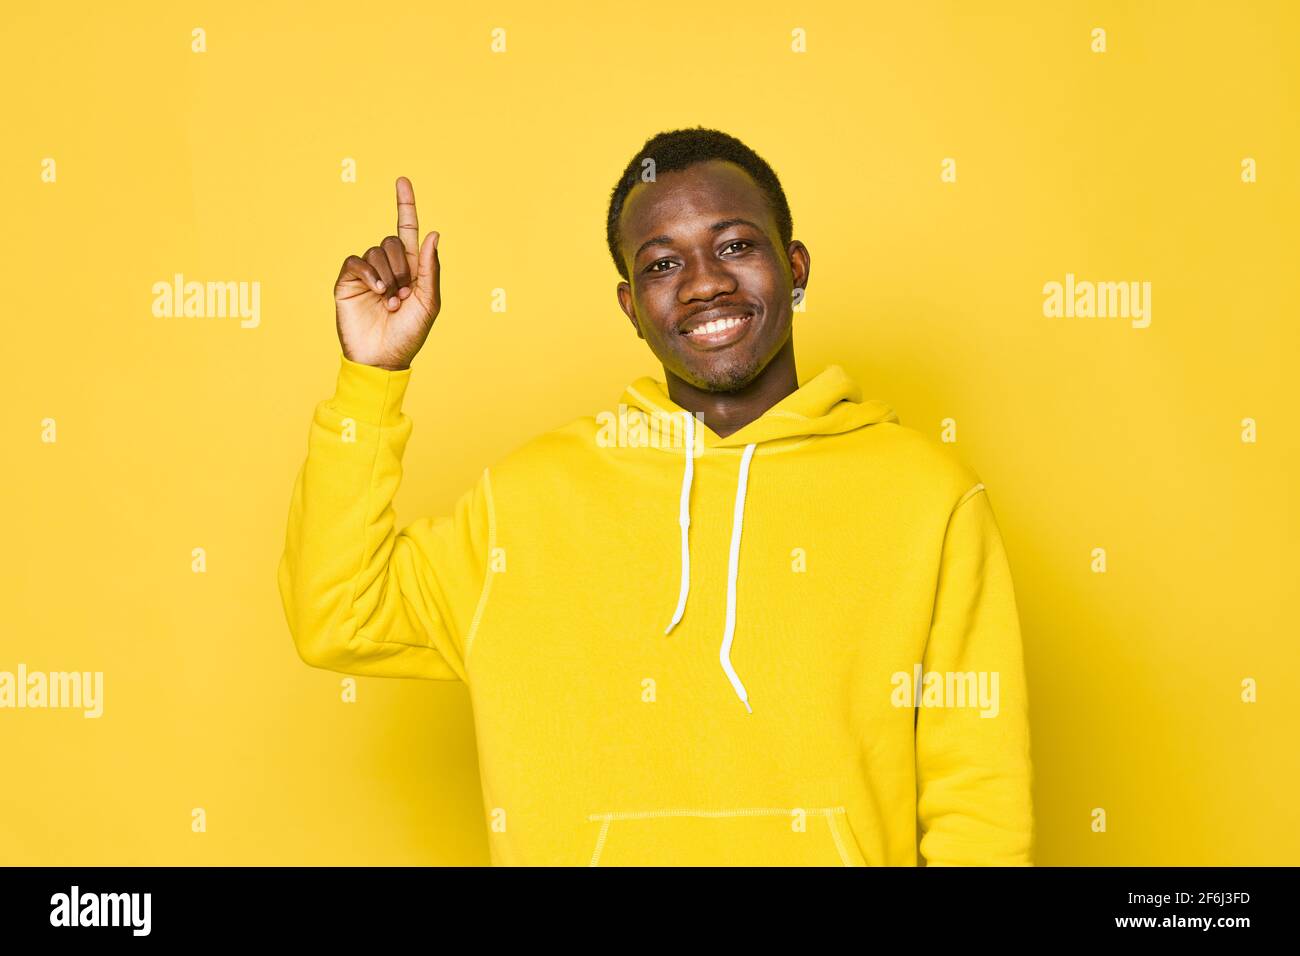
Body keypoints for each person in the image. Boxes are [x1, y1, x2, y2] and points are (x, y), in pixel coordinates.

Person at [277, 126, 1034, 866]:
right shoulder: (528, 499)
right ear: (631, 305)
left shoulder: (927, 498)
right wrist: (371, 379)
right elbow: (337, 613)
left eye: (735, 245)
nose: (706, 281)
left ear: (795, 267)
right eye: (664, 264)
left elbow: (980, 804)